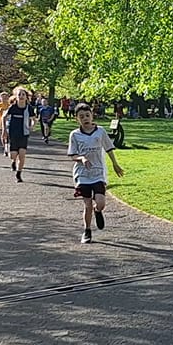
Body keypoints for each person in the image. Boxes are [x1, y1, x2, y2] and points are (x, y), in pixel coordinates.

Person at [67, 100, 122, 242]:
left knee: (101, 203)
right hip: (82, 174)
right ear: (77, 119)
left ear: (92, 116)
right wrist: (82, 158)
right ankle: (87, 231)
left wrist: (115, 164)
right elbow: (72, 155)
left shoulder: (100, 131)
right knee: (88, 205)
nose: (85, 118)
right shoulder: (75, 135)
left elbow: (109, 148)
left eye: (87, 115)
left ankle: (98, 211)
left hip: (98, 173)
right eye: (81, 116)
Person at [3, 86, 34, 181]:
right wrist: (4, 130)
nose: (21, 96)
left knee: (22, 155)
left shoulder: (29, 108)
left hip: (24, 134)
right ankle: (13, 161)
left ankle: (19, 173)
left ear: (26, 97)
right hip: (13, 133)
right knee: (13, 155)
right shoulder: (13, 107)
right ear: (16, 97)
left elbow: (34, 119)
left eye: (23, 94)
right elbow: (4, 117)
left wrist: (32, 126)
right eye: (19, 94)